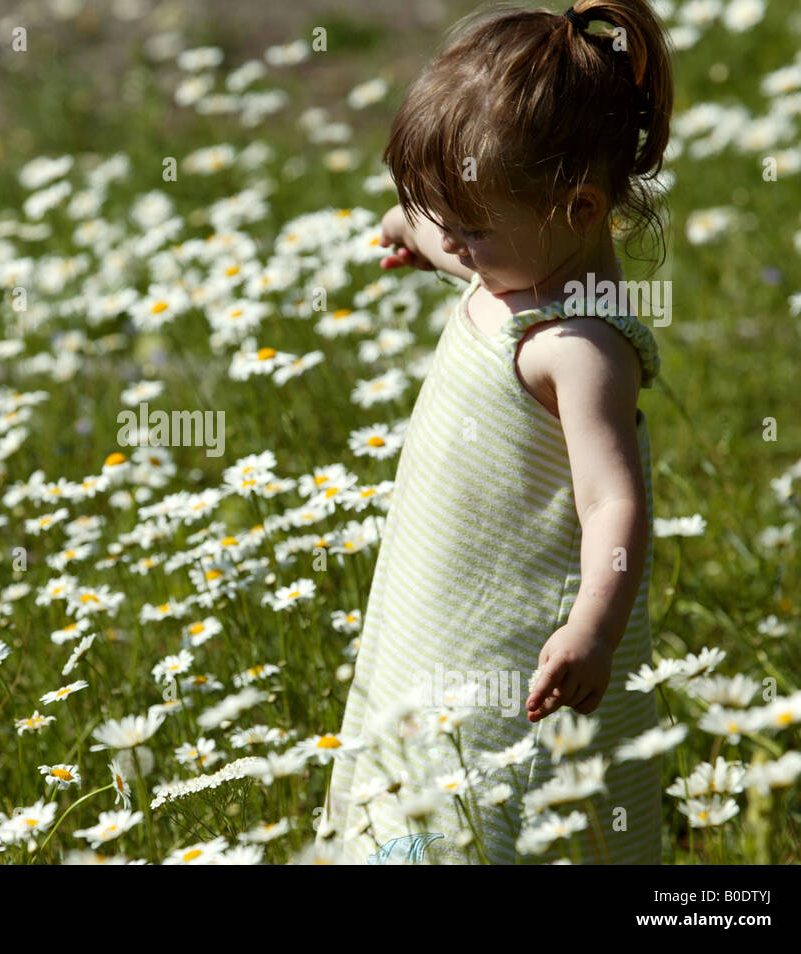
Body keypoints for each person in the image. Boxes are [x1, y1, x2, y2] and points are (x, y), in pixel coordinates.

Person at [320, 0, 673, 864]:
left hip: (517, 648)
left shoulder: (578, 346)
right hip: (442, 617)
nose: (453, 244)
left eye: (467, 227)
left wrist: (593, 626)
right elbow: (462, 250)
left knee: (492, 809)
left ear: (580, 209)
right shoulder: (518, 264)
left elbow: (612, 500)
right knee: (419, 772)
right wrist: (417, 229)